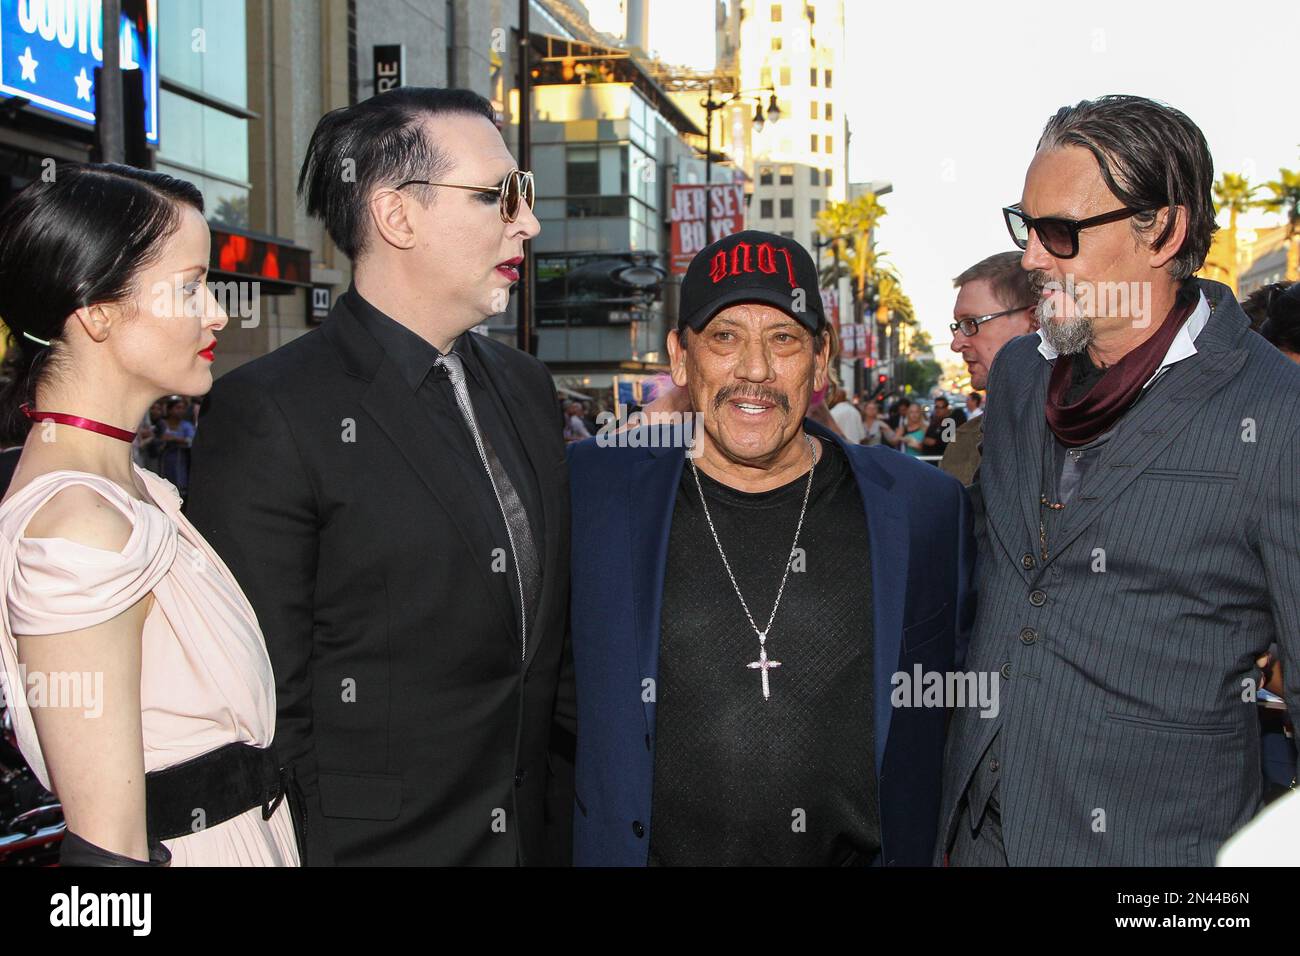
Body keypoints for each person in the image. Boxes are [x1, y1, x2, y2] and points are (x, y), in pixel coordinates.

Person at [186, 88, 573, 866]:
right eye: (500, 195)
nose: (526, 220)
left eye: (524, 194)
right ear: (398, 216)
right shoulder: (271, 412)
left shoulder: (526, 387)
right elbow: (263, 703)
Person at [939, 94, 1300, 866]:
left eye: (1061, 233)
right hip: (980, 837)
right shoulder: (1015, 378)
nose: (1032, 258)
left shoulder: (1277, 411)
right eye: (1024, 227)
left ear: (1163, 231)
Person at [567, 230, 975, 866]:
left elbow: (961, 710)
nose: (754, 370)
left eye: (783, 339)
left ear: (819, 360)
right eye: (724, 337)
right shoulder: (591, 494)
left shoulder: (924, 510)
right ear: (680, 358)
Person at [0, 163, 299, 866]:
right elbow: (106, 850)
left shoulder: (132, 490)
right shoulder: (79, 529)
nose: (220, 312)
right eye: (192, 286)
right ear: (96, 310)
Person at [941, 251, 1038, 485]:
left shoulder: (1084, 432)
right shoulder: (964, 441)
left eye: (971, 323)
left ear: (1035, 321)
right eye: (958, 326)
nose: (957, 344)